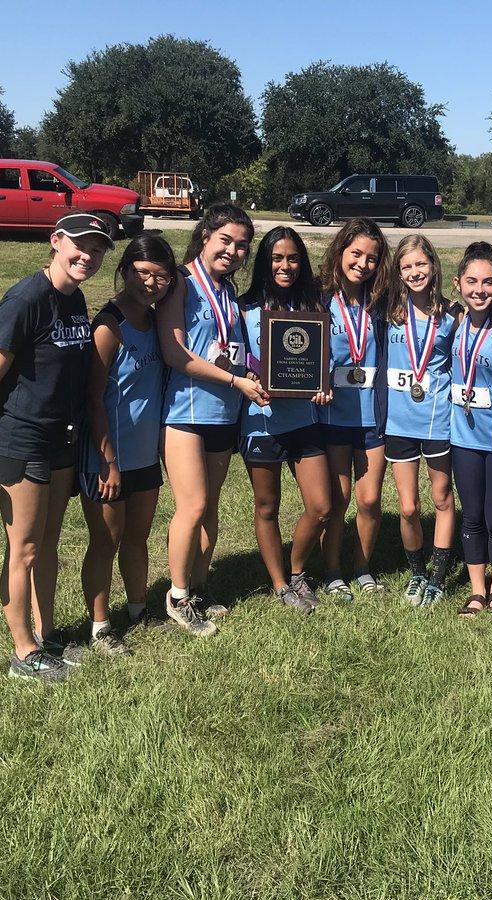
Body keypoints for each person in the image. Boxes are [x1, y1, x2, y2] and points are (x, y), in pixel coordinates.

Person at [0, 212, 107, 682]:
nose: (88, 255)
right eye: (80, 245)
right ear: (56, 241)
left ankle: (47, 637)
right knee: (22, 548)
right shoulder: (26, 298)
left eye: (99, 248)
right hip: (23, 438)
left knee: (48, 543)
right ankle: (23, 654)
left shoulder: (76, 298)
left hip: (62, 436)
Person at [158, 203, 266, 633]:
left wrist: (257, 374)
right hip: (185, 413)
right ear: (205, 235)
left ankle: (200, 588)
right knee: (193, 505)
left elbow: (236, 352)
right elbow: (176, 354)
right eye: (226, 240)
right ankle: (177, 596)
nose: (233, 251)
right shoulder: (181, 283)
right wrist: (235, 381)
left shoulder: (226, 292)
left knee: (211, 509)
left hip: (224, 412)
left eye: (242, 246)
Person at [77, 235, 176, 656]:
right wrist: (108, 461)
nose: (150, 283)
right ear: (125, 271)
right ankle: (100, 627)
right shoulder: (108, 325)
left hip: (144, 457)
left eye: (160, 277)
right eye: (142, 273)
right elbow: (92, 397)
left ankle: (139, 611)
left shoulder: (155, 322)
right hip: (109, 459)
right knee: (105, 540)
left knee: (138, 538)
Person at [238, 227, 332, 613]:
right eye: (277, 258)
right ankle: (280, 586)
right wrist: (246, 379)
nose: (286, 266)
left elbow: (324, 361)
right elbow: (232, 356)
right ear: (265, 262)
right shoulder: (244, 308)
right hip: (261, 421)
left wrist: (324, 385)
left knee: (322, 506)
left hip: (304, 420)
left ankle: (296, 572)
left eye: (293, 258)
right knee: (267, 507)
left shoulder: (314, 308)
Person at [317, 217, 393, 602]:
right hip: (331, 417)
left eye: (372, 258)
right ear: (340, 251)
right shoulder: (318, 299)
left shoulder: (381, 302)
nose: (363, 264)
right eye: (356, 254)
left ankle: (362, 567)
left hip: (372, 416)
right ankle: (331, 571)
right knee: (338, 499)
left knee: (369, 499)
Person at [382, 235, 459, 607]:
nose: (415, 273)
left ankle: (439, 577)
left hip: (438, 421)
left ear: (433, 265)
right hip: (399, 422)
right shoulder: (389, 313)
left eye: (420, 264)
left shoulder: (452, 315)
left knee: (442, 498)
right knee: (408, 506)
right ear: (398, 273)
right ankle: (416, 572)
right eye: (406, 267)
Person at [448, 242, 492, 618]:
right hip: (464, 437)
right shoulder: (455, 321)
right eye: (472, 282)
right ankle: (477, 590)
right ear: (459, 284)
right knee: (472, 514)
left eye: (488, 283)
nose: (480, 290)